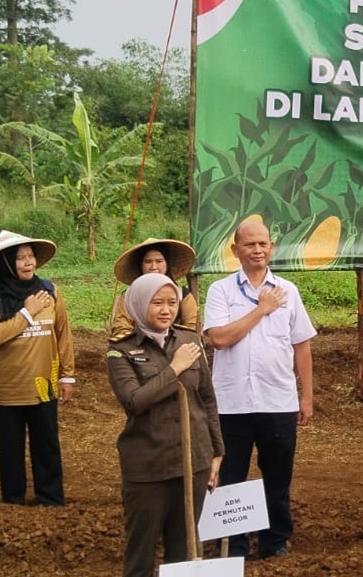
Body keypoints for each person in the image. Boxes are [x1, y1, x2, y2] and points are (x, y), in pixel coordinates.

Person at [204, 219, 316, 559]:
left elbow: (302, 346)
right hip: (230, 402)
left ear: (272, 248)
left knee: (278, 476)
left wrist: (307, 396)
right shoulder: (220, 291)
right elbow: (219, 339)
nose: (257, 250)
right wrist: (261, 309)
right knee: (230, 476)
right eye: (249, 244)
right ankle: (232, 546)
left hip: (277, 400)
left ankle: (275, 540)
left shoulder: (288, 291)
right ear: (235, 250)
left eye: (263, 244)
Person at [107, 273, 224, 577]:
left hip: (194, 462)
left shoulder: (189, 340)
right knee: (141, 554)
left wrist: (216, 452)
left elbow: (207, 399)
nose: (166, 309)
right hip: (148, 467)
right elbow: (134, 400)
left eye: (172, 302)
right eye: (157, 302)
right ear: (138, 304)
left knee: (186, 550)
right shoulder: (120, 350)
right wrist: (174, 368)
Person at [0, 230, 76, 506]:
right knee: (9, 447)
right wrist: (27, 312)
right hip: (6, 386)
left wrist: (68, 375)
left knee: (47, 444)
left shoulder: (50, 291)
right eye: (20, 258)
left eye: (31, 256)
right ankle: (13, 499)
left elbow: (63, 332)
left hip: (44, 383)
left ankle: (51, 498)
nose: (28, 262)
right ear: (7, 262)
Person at [109, 238, 200, 339]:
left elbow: (191, 328)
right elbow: (121, 328)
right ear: (141, 265)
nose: (153, 266)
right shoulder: (129, 296)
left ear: (167, 264)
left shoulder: (182, 295)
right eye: (148, 262)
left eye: (159, 261)